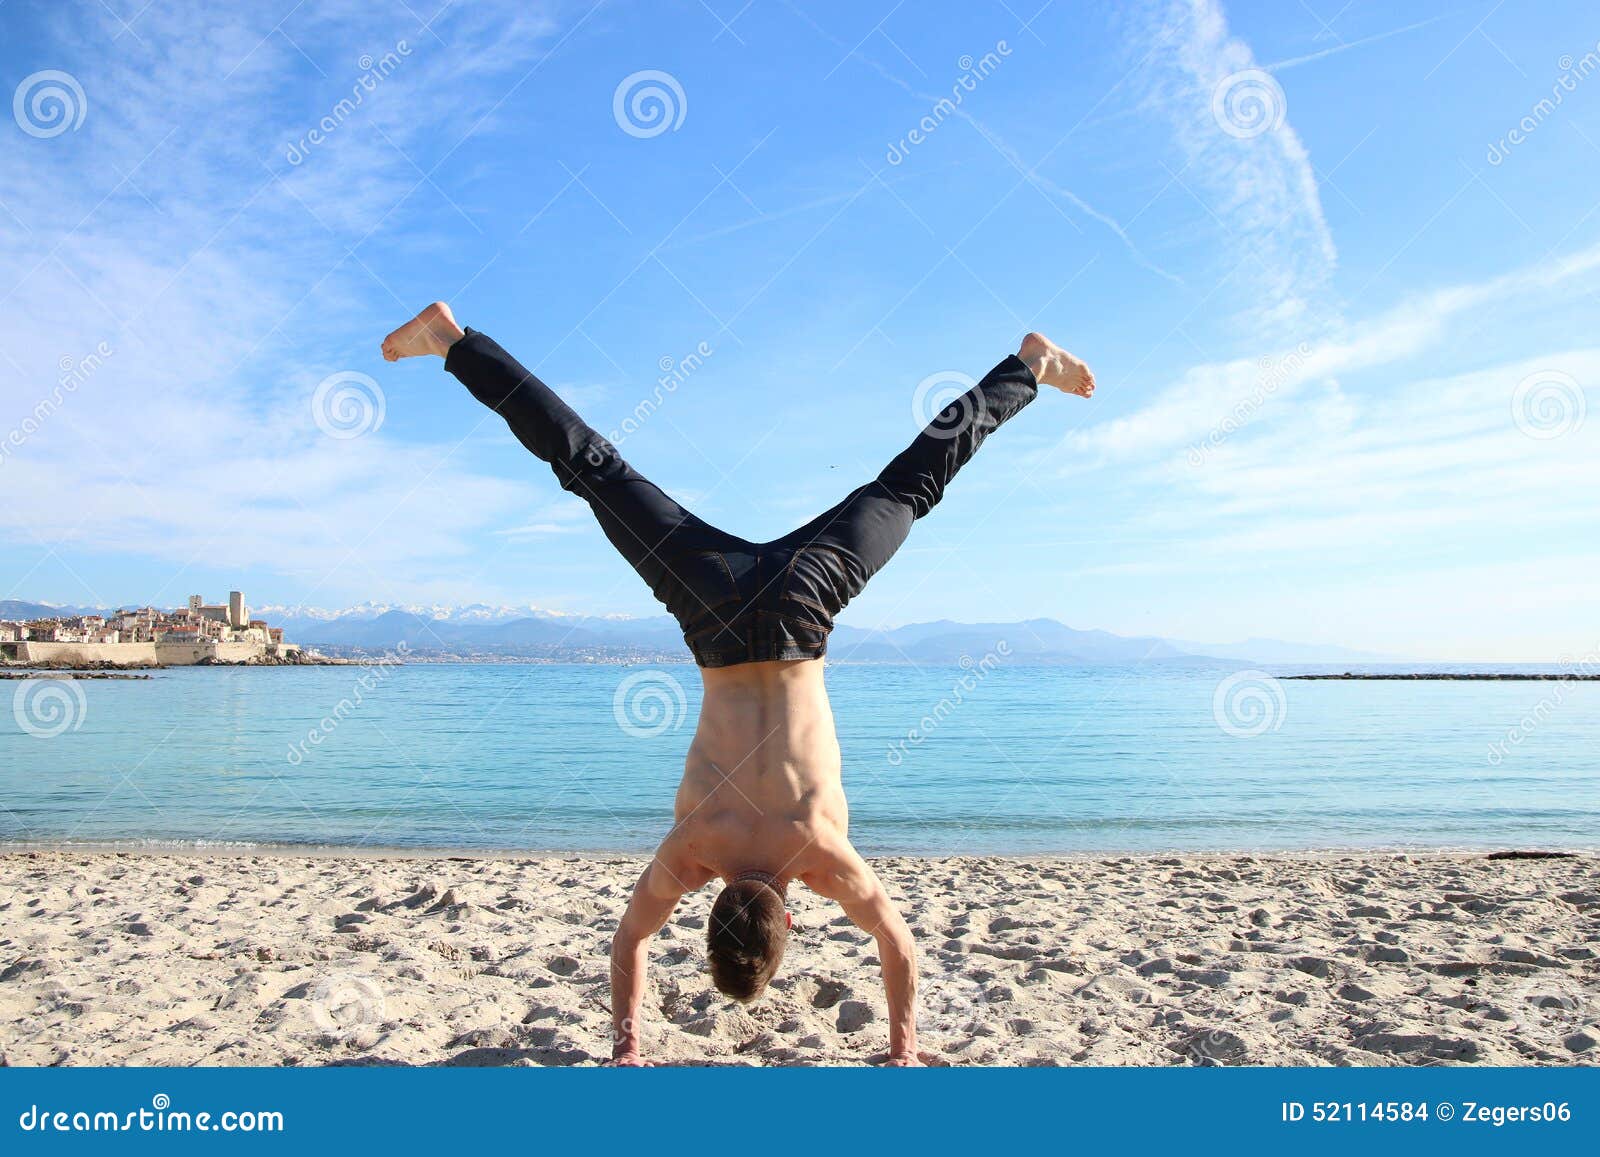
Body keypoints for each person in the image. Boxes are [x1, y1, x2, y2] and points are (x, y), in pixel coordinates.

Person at [382, 302, 1094, 1065]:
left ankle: (1028, 366)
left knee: (909, 485)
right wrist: (626, 1048)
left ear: (788, 923)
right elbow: (628, 941)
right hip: (711, 603)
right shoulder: (690, 849)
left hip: (802, 604)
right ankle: (452, 342)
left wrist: (904, 1049)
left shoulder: (822, 853)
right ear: (709, 909)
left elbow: (897, 944)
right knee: (592, 468)